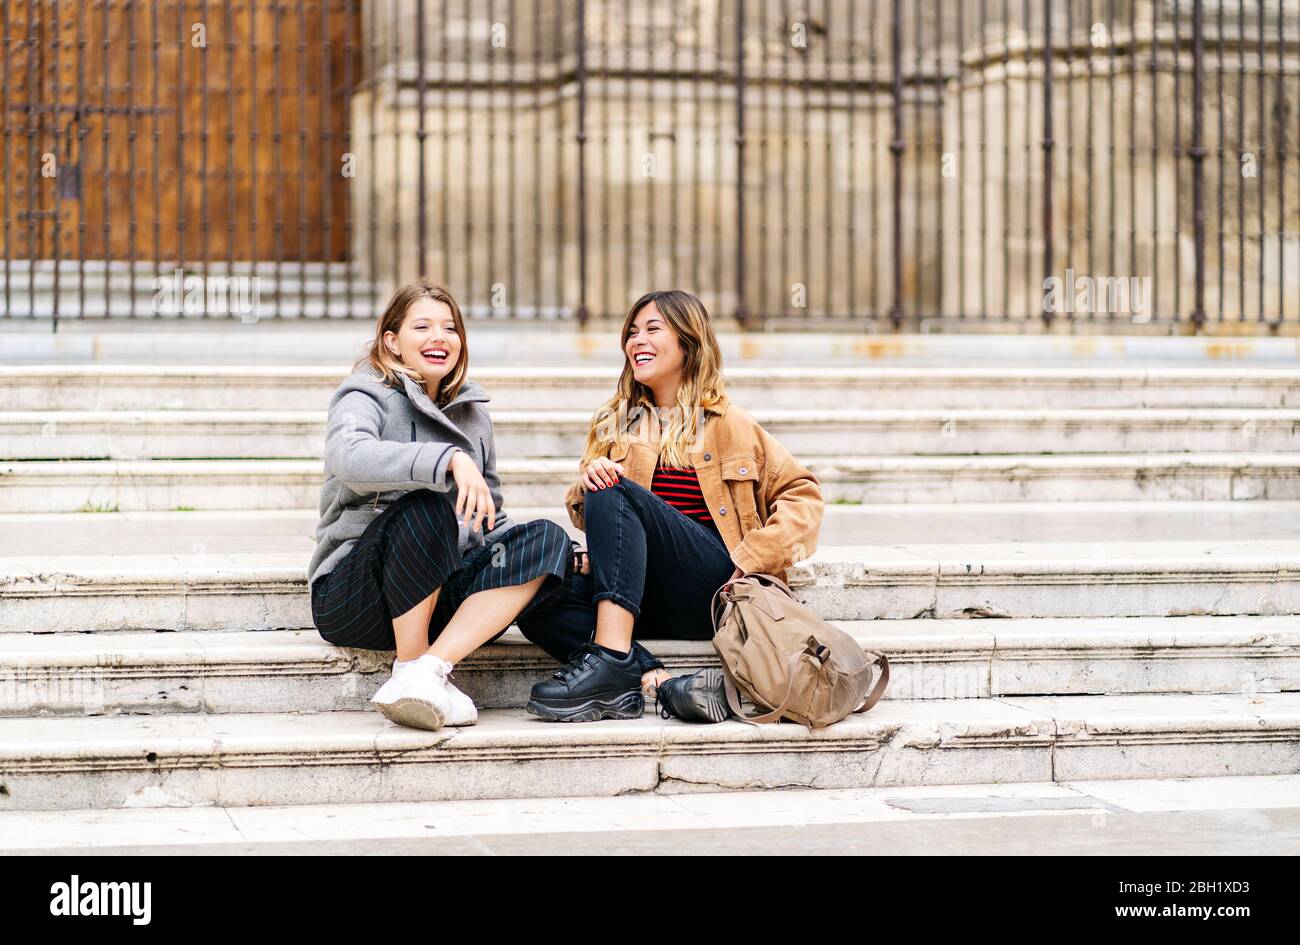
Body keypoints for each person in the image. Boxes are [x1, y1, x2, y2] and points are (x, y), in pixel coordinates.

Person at [514, 289, 824, 723]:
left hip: (710, 590)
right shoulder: (616, 422)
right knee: (535, 591)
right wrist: (588, 492)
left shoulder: (729, 423)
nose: (636, 340)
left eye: (652, 329)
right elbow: (597, 512)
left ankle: (607, 657)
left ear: (687, 341)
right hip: (637, 596)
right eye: (632, 332)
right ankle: (655, 681)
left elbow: (803, 494)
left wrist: (754, 555)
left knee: (613, 487)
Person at [307, 278, 574, 732]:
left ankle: (429, 672)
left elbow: (490, 519)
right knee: (428, 507)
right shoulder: (364, 394)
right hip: (358, 598)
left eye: (450, 328)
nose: (440, 338)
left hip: (439, 594)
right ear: (392, 342)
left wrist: (554, 553)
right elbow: (349, 458)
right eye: (423, 326)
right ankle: (407, 668)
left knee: (548, 537)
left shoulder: (473, 413)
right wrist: (447, 459)